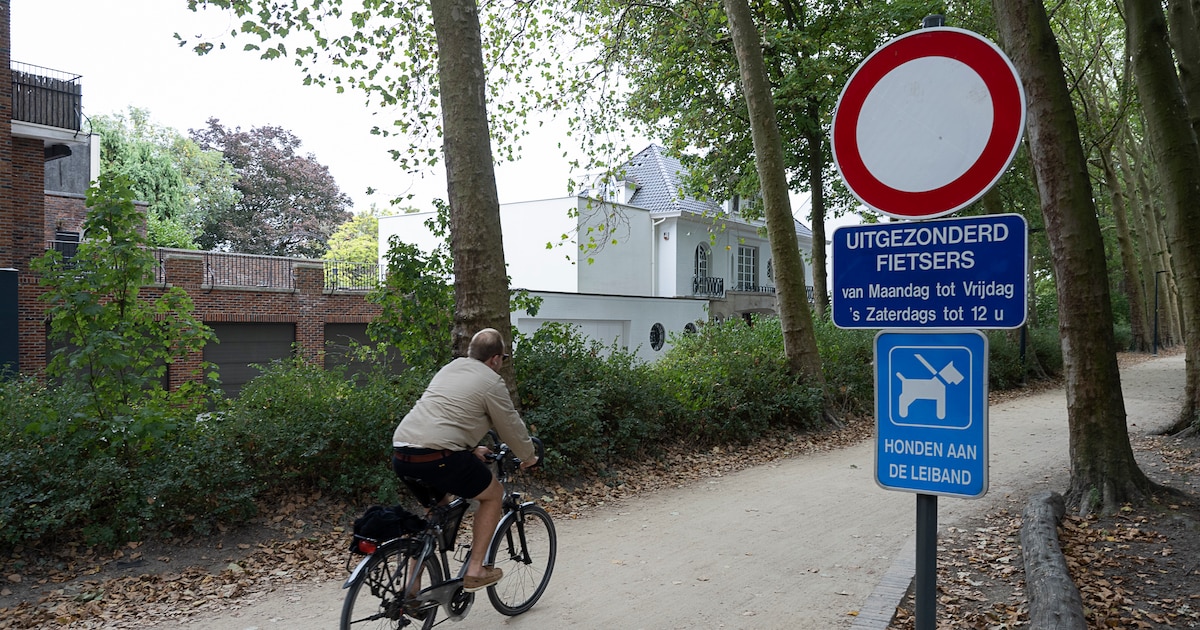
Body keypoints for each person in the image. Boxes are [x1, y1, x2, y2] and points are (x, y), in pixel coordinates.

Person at [391, 328, 538, 592]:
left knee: (437, 508)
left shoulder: (450, 369)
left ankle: (410, 590)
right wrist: (528, 456)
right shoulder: (491, 382)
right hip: (438, 456)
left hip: (402, 451)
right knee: (493, 494)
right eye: (502, 358)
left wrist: (470, 450)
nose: (502, 363)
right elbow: (510, 425)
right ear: (494, 359)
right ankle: (476, 570)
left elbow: (442, 417)